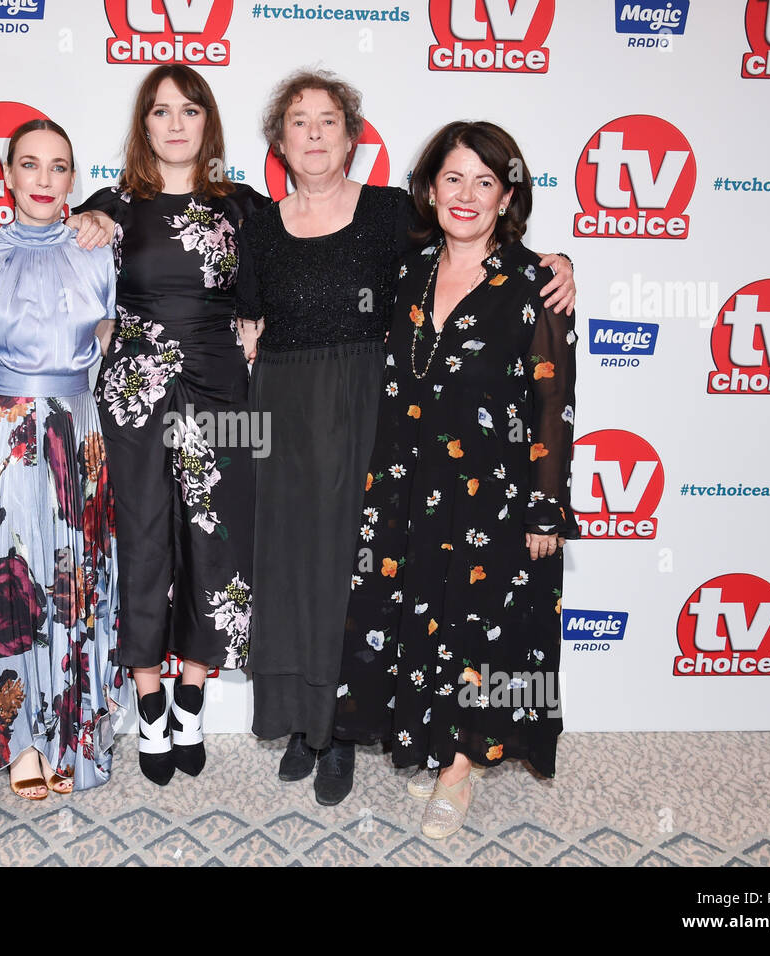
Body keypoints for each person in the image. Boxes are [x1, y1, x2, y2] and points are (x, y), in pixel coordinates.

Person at [235, 70, 576, 806]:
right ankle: (301, 718)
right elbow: (198, 263)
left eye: (330, 119)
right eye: (300, 121)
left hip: (371, 410)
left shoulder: (393, 215)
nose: (316, 133)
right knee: (292, 567)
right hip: (291, 412)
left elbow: (485, 256)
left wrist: (559, 262)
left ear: (354, 137)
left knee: (355, 575)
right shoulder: (258, 220)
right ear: (279, 140)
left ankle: (344, 731)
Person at [0, 66, 267, 786]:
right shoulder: (110, 206)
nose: (174, 124)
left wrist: (255, 326)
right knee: (136, 540)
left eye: (188, 110)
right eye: (160, 111)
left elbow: (295, 275)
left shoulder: (245, 208)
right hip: (133, 397)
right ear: (143, 124)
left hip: (218, 393)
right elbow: (36, 286)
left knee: (214, 540)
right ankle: (148, 695)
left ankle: (192, 690)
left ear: (207, 122)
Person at [334, 121, 579, 838]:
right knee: (422, 621)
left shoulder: (537, 283)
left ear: (507, 196)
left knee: (482, 633)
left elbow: (554, 405)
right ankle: (437, 743)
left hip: (495, 496)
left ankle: (460, 770)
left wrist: (545, 510)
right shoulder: (408, 271)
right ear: (430, 189)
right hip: (409, 487)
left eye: (484, 181)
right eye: (453, 179)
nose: (466, 195)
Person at [0, 120, 127, 800]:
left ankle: (71, 733)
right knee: (12, 583)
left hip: (77, 433)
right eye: (31, 165)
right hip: (1, 435)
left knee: (69, 578)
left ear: (73, 178)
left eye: (59, 167)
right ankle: (16, 738)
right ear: (7, 173)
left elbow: (128, 335)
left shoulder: (99, 249)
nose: (45, 180)